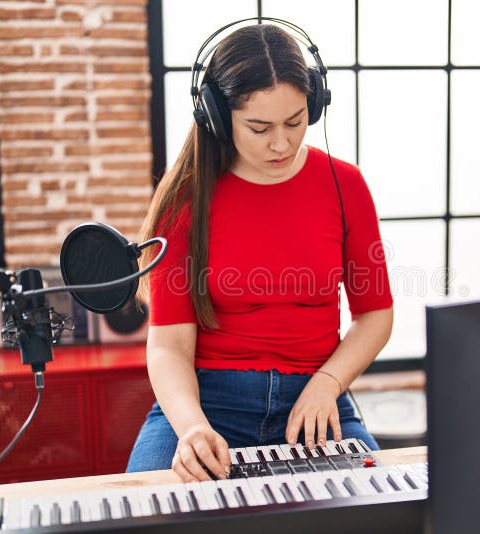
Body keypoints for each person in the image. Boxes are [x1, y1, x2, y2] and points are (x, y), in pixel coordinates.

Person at [126, 20, 393, 484]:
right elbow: (168, 346)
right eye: (259, 127)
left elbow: (375, 316)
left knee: (383, 508)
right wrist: (191, 428)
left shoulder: (345, 186)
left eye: (295, 121)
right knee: (148, 512)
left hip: (314, 400)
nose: (281, 143)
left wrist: (328, 385)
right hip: (208, 403)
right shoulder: (185, 203)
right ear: (216, 116)